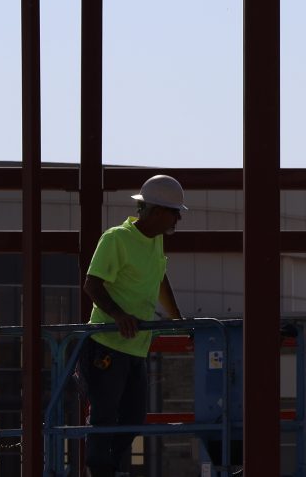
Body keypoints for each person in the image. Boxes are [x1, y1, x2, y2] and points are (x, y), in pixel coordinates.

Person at [78, 174, 188, 477]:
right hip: (106, 344)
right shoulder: (116, 239)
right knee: (104, 414)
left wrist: (176, 316)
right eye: (173, 212)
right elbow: (92, 284)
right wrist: (118, 315)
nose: (177, 219)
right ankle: (100, 470)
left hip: (136, 346)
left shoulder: (155, 242)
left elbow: (159, 276)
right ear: (154, 210)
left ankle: (107, 466)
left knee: (134, 416)